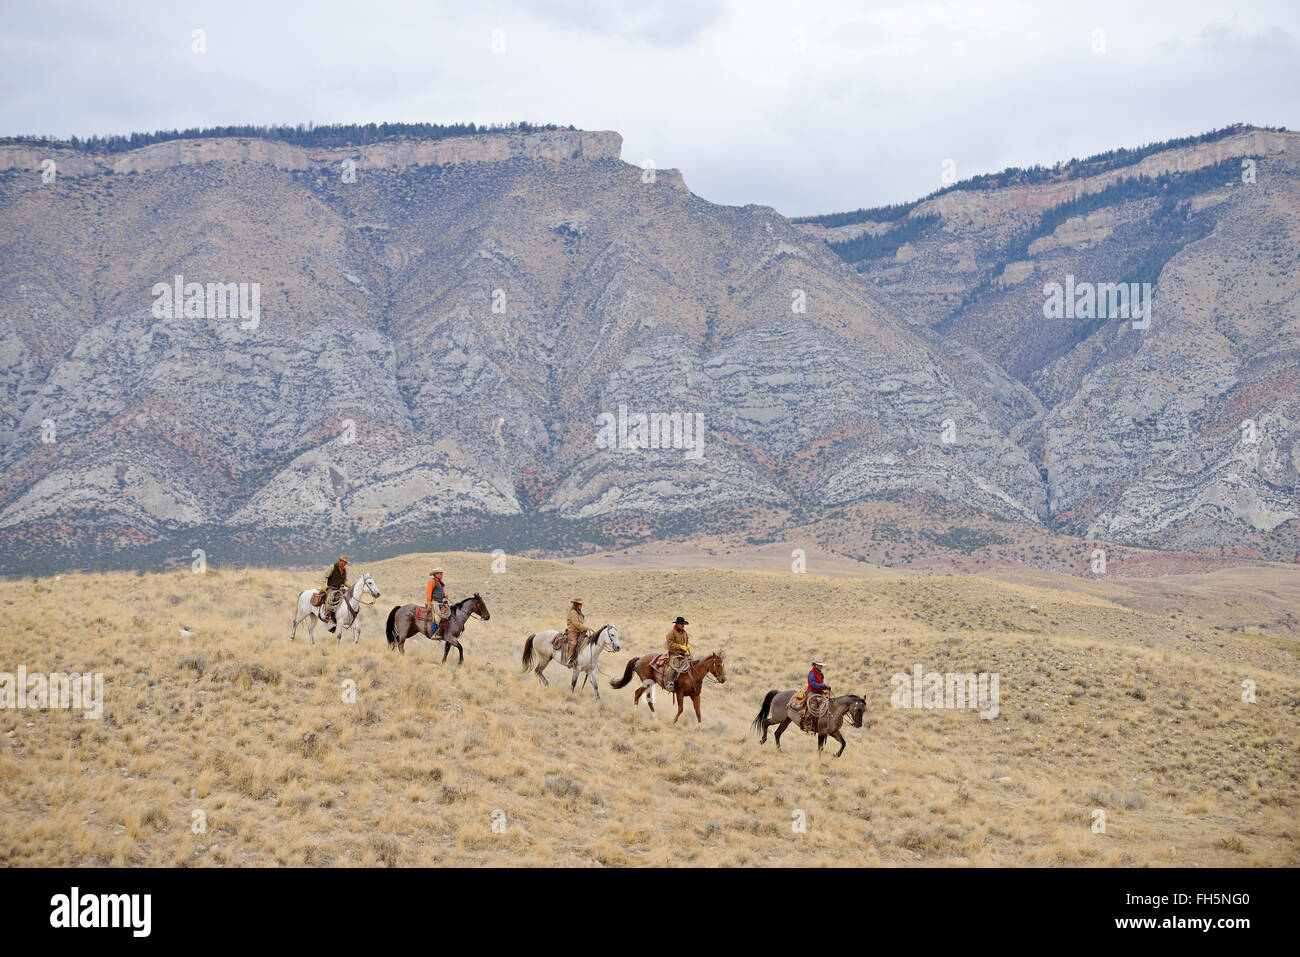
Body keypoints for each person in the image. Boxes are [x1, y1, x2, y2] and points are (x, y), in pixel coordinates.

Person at [559, 598, 594, 666]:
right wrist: (587, 628)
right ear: (576, 605)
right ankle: (569, 660)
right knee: (574, 643)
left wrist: (585, 628)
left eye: (581, 604)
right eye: (580, 604)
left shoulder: (579, 613)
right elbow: (576, 624)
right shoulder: (573, 612)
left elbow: (580, 623)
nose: (581, 606)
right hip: (572, 631)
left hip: (579, 631)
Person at [321, 555, 350, 633]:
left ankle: (345, 615)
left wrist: (349, 585)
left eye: (346, 563)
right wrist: (323, 585)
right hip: (331, 587)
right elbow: (325, 576)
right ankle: (327, 613)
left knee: (347, 597)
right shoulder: (332, 567)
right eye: (344, 562)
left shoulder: (344, 570)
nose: (345, 564)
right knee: (331, 597)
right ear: (341, 561)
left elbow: (345, 581)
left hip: (340, 588)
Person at [663, 616, 691, 691]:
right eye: (682, 624)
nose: (683, 626)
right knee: (675, 666)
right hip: (673, 653)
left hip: (683, 653)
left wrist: (688, 645)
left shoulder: (684, 632)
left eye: (683, 624)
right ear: (678, 624)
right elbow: (670, 644)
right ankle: (670, 682)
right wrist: (680, 647)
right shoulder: (671, 633)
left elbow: (687, 640)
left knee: (692, 663)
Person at [424, 567, 449, 634]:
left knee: (447, 614)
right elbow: (428, 592)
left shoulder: (440, 583)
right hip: (434, 602)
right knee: (438, 617)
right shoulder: (432, 581)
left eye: (442, 573)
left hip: (440, 602)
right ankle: (433, 633)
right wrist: (429, 603)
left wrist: (445, 595)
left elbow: (442, 593)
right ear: (436, 574)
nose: (442, 575)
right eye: (441, 573)